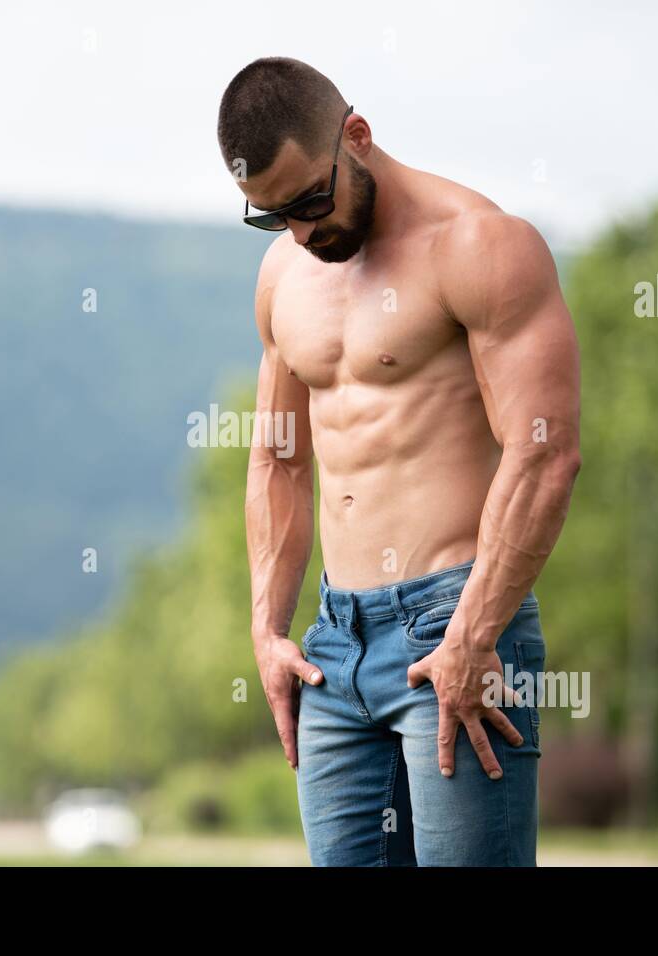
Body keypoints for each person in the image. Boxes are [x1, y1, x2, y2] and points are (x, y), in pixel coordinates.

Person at [217, 57, 581, 865]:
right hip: (333, 644)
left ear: (357, 136)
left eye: (312, 200)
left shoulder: (482, 245)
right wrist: (267, 630)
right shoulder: (284, 275)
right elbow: (279, 460)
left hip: (456, 624)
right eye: (274, 215)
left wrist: (473, 634)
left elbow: (543, 454)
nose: (305, 233)